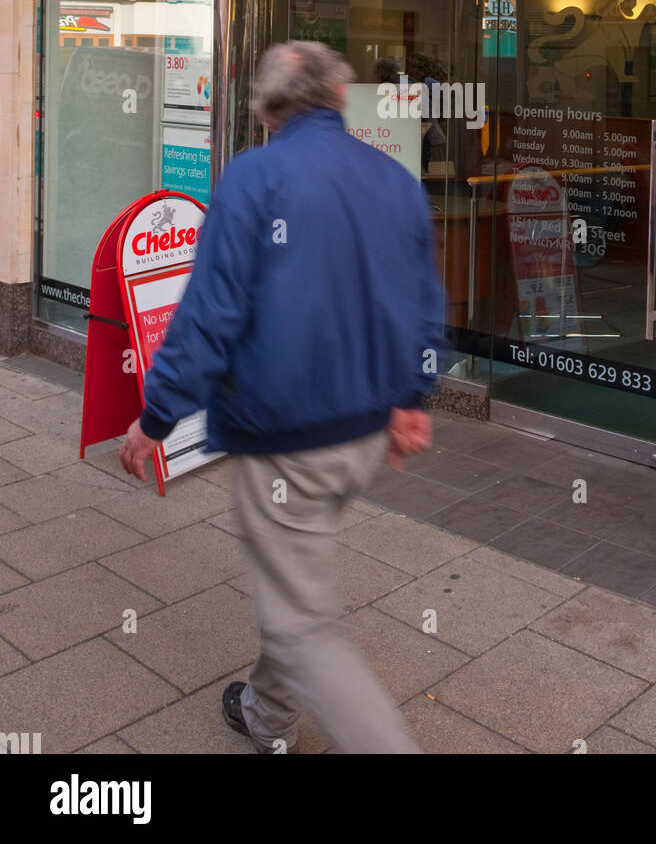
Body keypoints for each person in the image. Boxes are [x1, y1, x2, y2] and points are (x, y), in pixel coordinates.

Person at [119, 40, 445, 754]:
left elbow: (209, 315)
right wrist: (413, 398)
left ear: (267, 108)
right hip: (364, 436)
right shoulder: (391, 178)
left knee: (306, 625)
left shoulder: (255, 176)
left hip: (288, 439)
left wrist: (156, 416)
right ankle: (267, 717)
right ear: (336, 96)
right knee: (291, 582)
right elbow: (424, 306)